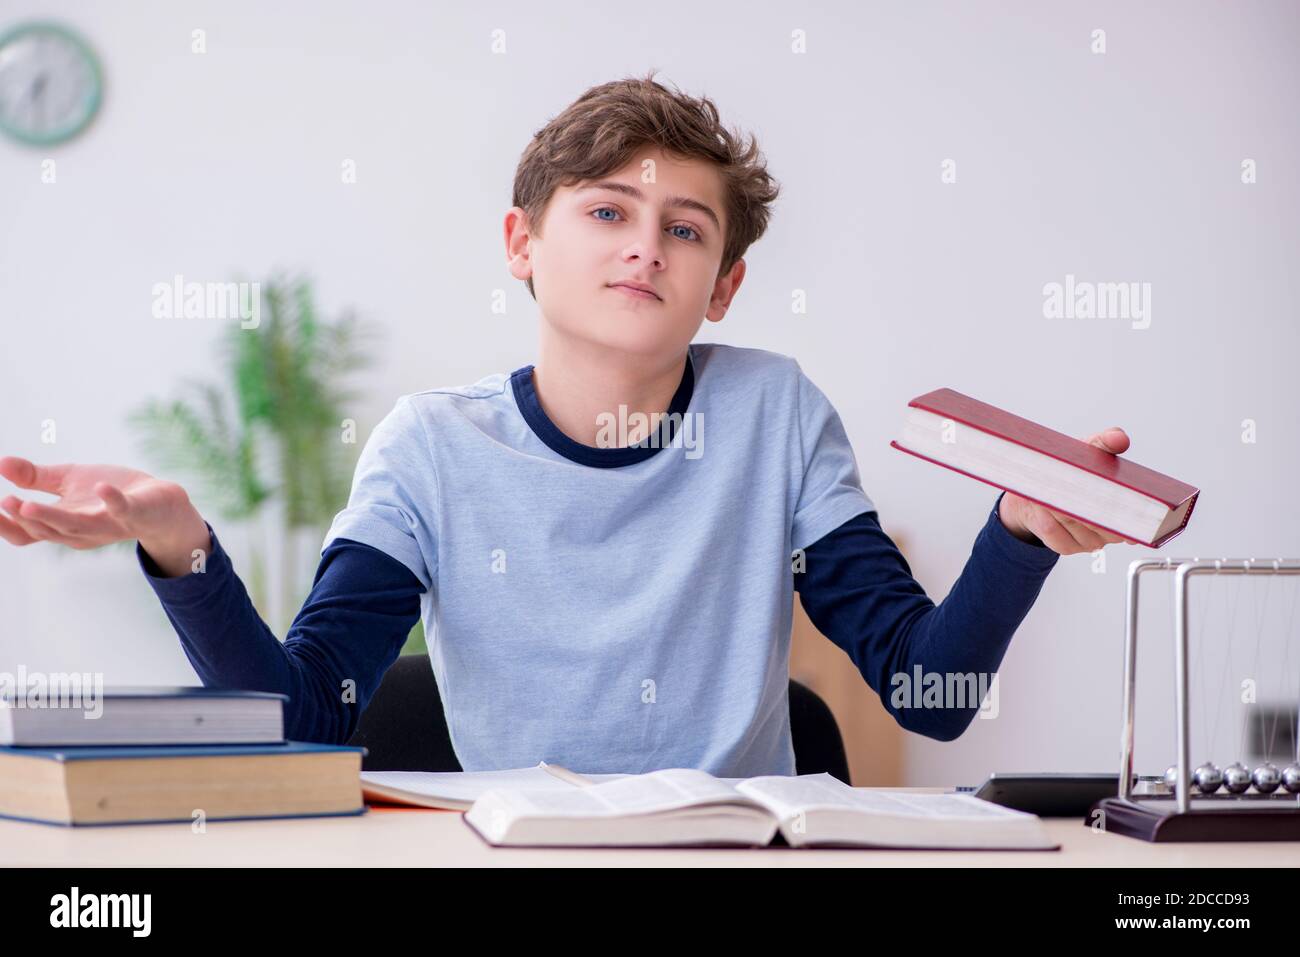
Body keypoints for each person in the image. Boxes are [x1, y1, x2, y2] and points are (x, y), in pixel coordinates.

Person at [0, 72, 1132, 776]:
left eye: (686, 230)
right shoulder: (430, 447)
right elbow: (308, 720)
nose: (646, 245)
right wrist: (183, 550)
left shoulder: (774, 410)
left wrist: (1019, 533)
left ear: (723, 287)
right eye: (606, 212)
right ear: (521, 247)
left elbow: (921, 698)